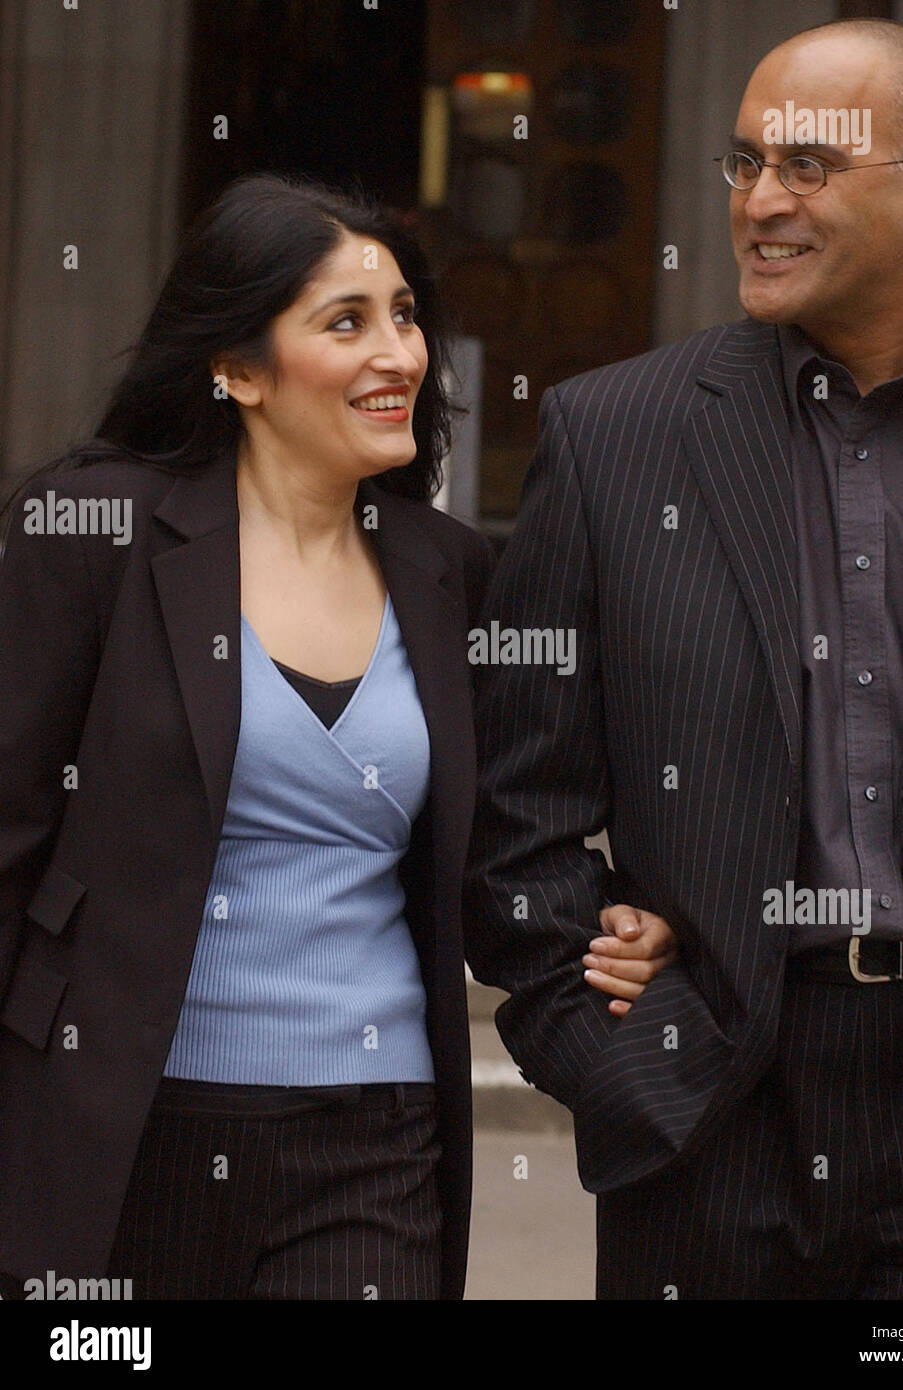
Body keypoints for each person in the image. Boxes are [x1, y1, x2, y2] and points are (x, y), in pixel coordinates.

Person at [0, 172, 672, 1301]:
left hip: (375, 1139)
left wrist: (614, 923)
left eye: (406, 316)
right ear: (238, 366)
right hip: (123, 1123)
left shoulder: (452, 575)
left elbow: (511, 837)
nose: (400, 353)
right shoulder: (93, 533)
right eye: (347, 321)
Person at [464, 19, 903, 1300]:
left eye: (807, 165)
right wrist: (631, 1062)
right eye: (743, 165)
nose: (761, 201)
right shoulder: (613, 437)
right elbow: (521, 821)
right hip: (716, 1120)